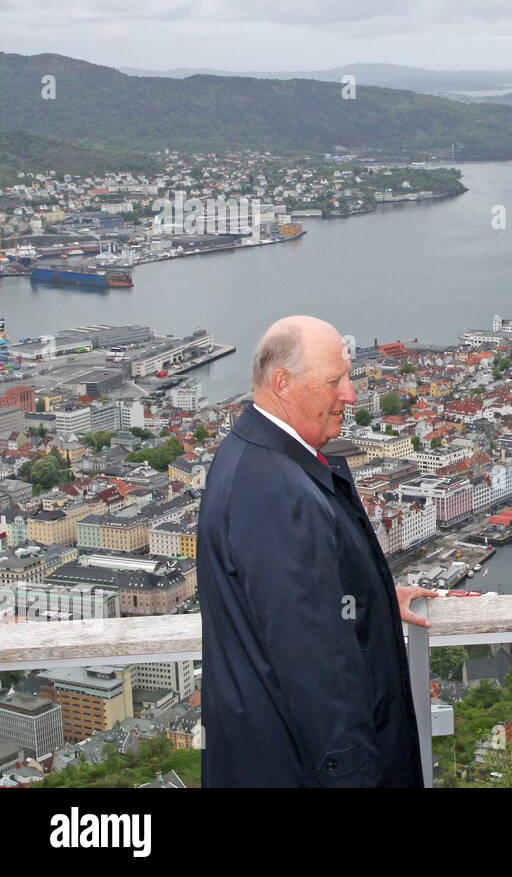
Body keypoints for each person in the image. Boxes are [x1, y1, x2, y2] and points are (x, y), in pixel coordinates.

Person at [198, 315, 435, 787]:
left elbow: (297, 603)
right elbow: (314, 668)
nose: (350, 394)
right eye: (335, 381)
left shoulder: (249, 455)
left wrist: (376, 599)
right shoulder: (276, 491)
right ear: (281, 383)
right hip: (301, 769)